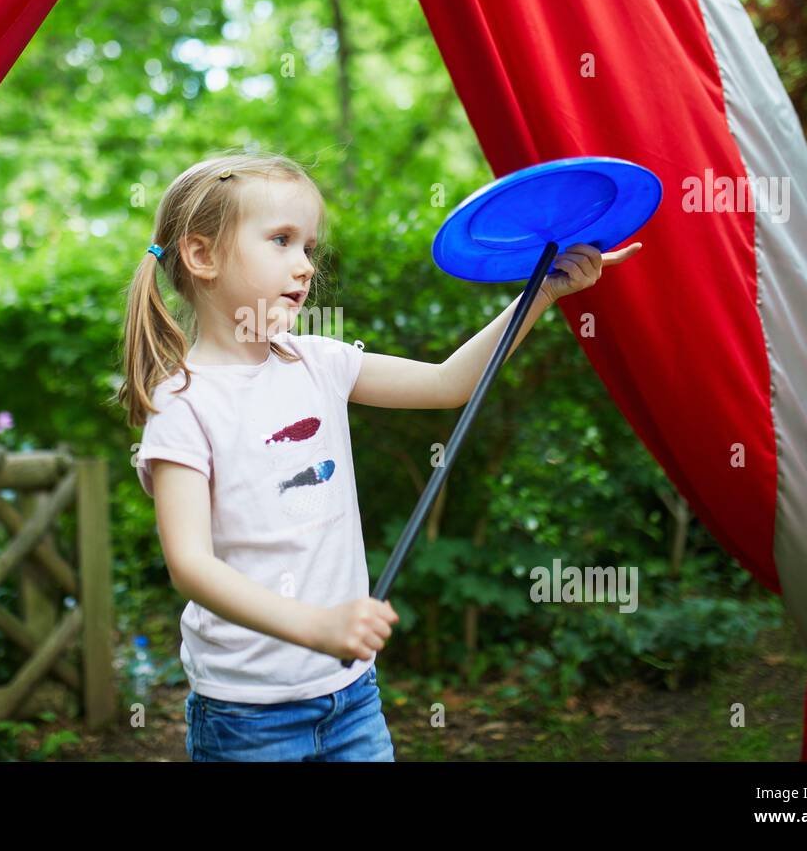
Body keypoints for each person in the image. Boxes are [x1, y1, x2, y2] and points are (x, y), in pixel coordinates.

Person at [117, 151, 641, 761]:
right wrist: (316, 626)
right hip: (247, 715)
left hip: (350, 698)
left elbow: (449, 383)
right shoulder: (183, 403)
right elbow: (190, 566)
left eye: (309, 246)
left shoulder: (320, 362)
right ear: (201, 255)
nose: (305, 265)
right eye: (281, 241)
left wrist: (544, 293)